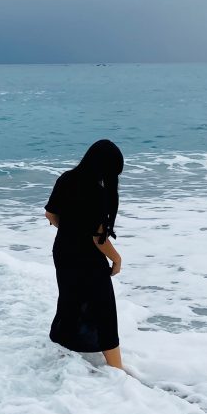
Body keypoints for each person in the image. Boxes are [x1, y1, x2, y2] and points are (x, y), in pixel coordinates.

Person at [43, 139, 125, 369]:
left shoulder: (66, 178)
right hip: (87, 258)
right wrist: (116, 259)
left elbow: (50, 214)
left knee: (70, 301)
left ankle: (63, 358)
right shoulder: (98, 192)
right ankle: (117, 370)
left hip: (63, 251)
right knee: (104, 309)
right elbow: (98, 237)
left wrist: (71, 230)